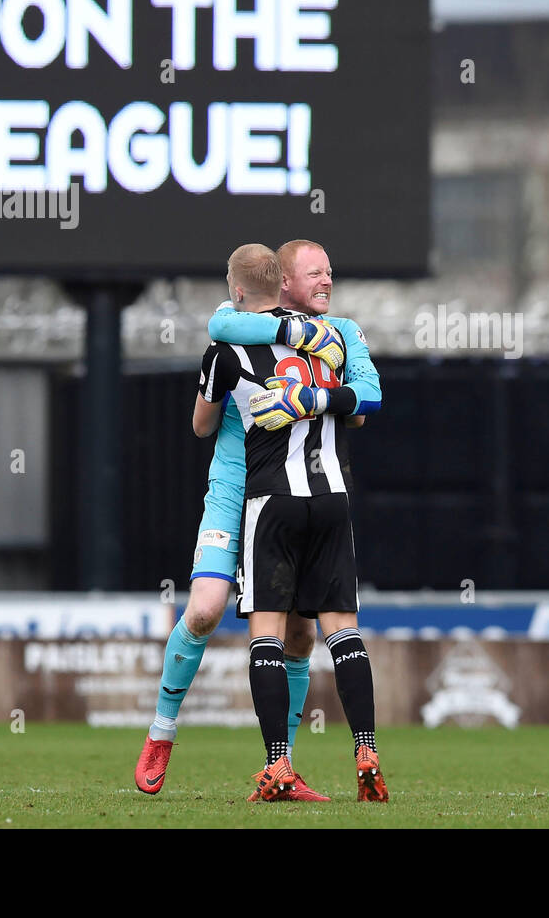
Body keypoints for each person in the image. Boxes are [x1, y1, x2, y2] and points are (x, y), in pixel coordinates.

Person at [134, 245, 377, 800]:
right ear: (282, 285)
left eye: (328, 272)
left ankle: (282, 766)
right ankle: (161, 731)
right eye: (314, 273)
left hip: (292, 492)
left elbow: (363, 406)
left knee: (296, 634)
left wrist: (312, 398)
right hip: (234, 493)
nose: (325, 281)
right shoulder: (230, 340)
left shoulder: (333, 335)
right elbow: (206, 416)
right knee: (205, 609)